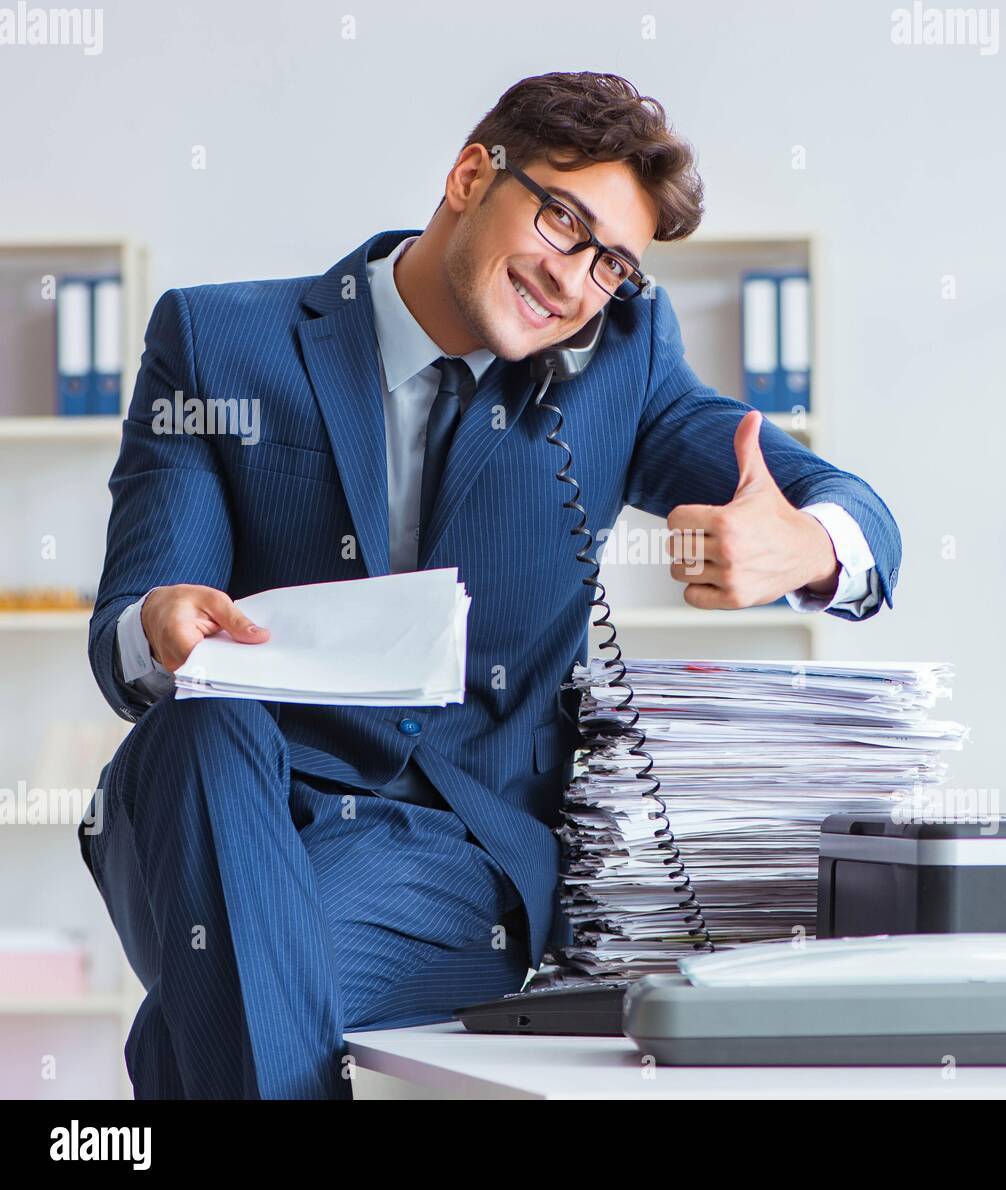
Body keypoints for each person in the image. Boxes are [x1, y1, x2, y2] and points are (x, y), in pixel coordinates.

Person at [78, 71, 901, 1099]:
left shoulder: (620, 368)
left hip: (448, 853)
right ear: (472, 174)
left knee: (212, 1009)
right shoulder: (218, 343)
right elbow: (131, 620)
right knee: (208, 723)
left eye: (612, 267)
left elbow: (847, 503)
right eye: (565, 224)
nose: (575, 283)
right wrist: (159, 622)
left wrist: (811, 547)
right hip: (208, 807)